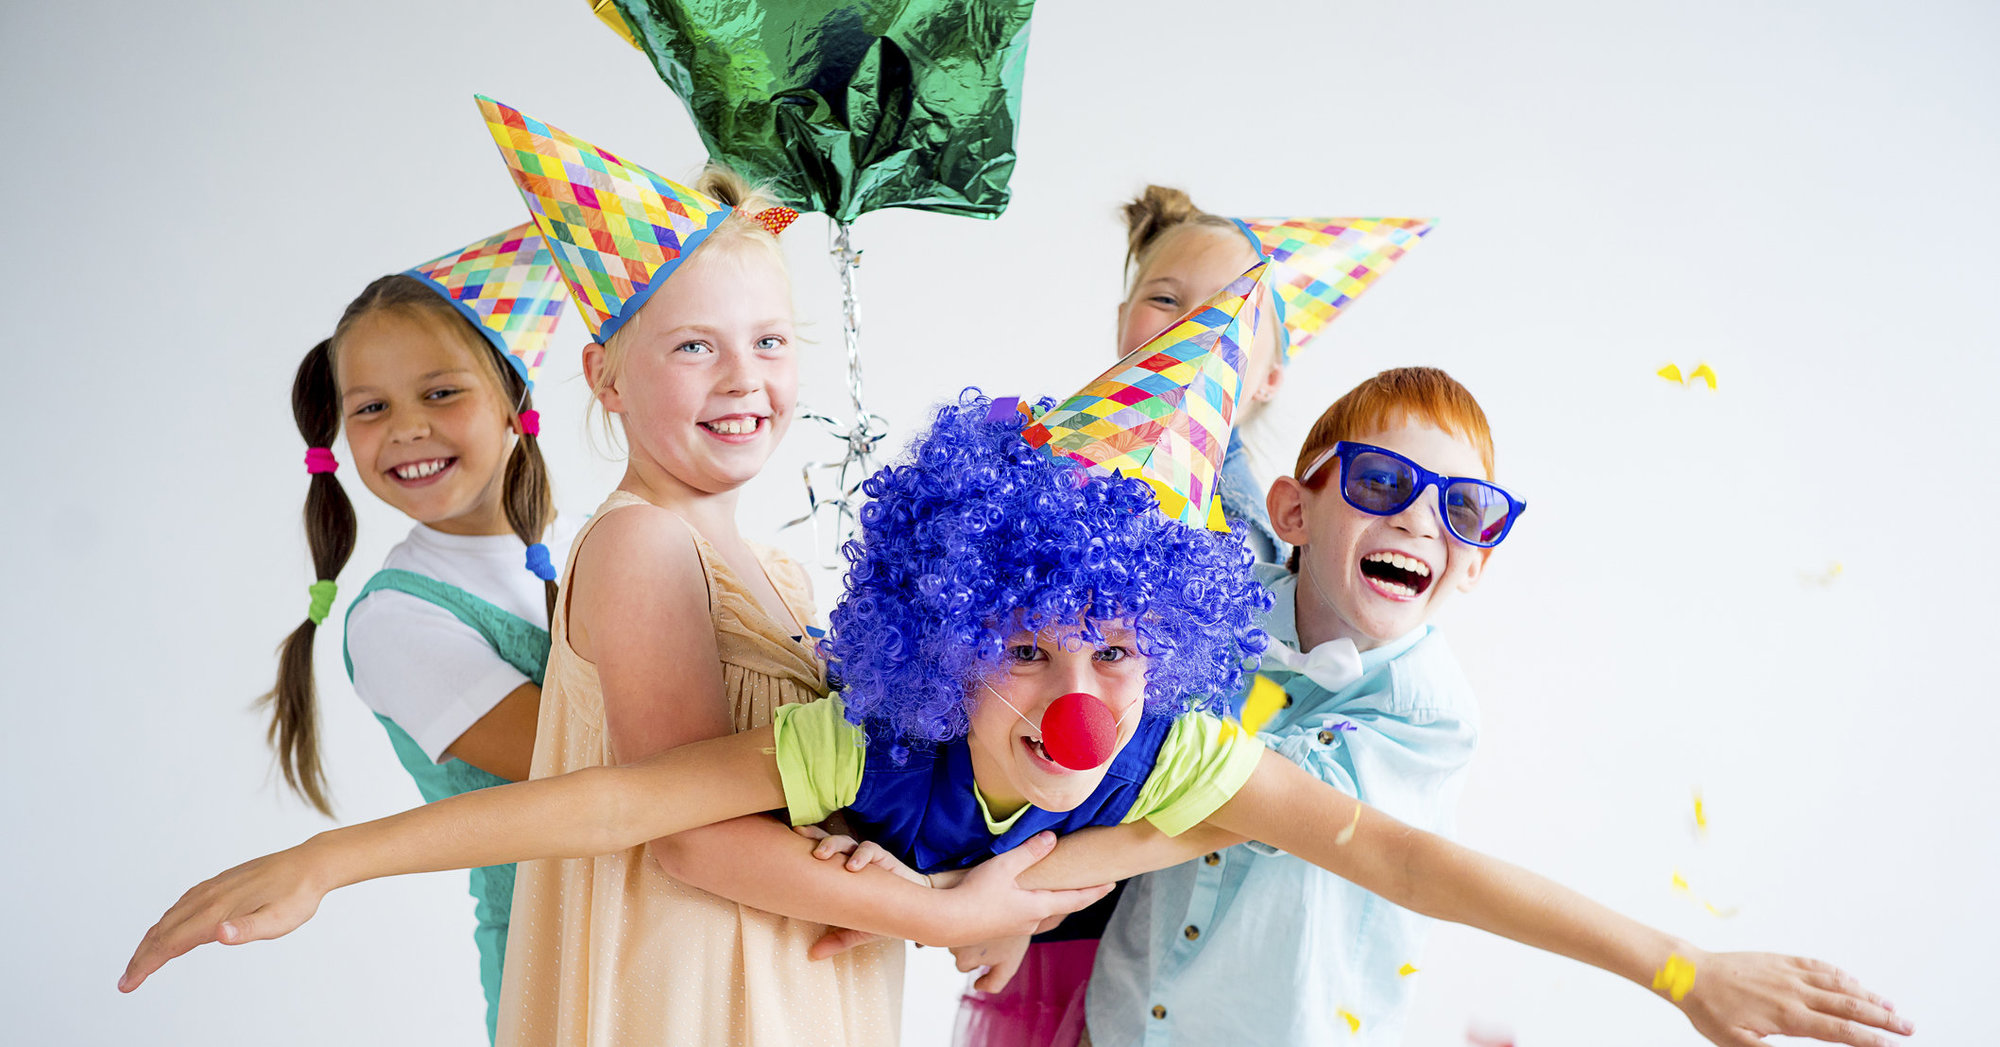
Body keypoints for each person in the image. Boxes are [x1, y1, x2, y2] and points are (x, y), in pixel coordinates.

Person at [124, 270, 1910, 1047]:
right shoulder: (868, 749)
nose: (1082, 698)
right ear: (938, 652)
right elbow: (598, 804)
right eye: (1031, 647)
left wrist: (1682, 969)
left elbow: (1412, 854)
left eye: (1125, 648)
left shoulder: (1171, 751)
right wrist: (316, 859)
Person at [261, 223, 570, 1038]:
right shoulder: (398, 619)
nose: (405, 428)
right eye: (371, 407)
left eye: (441, 392)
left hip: (672, 932)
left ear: (514, 399)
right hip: (559, 967)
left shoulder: (575, 556)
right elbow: (594, 759)